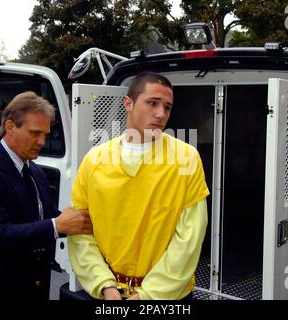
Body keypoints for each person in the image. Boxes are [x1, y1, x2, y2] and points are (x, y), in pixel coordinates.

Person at [68, 71, 209, 300]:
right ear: (128, 103)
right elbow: (80, 232)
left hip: (167, 297)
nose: (161, 113)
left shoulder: (186, 158)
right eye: (153, 103)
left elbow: (189, 239)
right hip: (110, 293)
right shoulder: (94, 160)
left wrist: (147, 296)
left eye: (168, 107)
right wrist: (104, 284)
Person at [0, 91, 92, 300]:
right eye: (35, 133)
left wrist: (77, 221)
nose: (41, 141)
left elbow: (40, 218)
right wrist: (57, 225)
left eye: (45, 135)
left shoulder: (34, 170)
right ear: (10, 127)